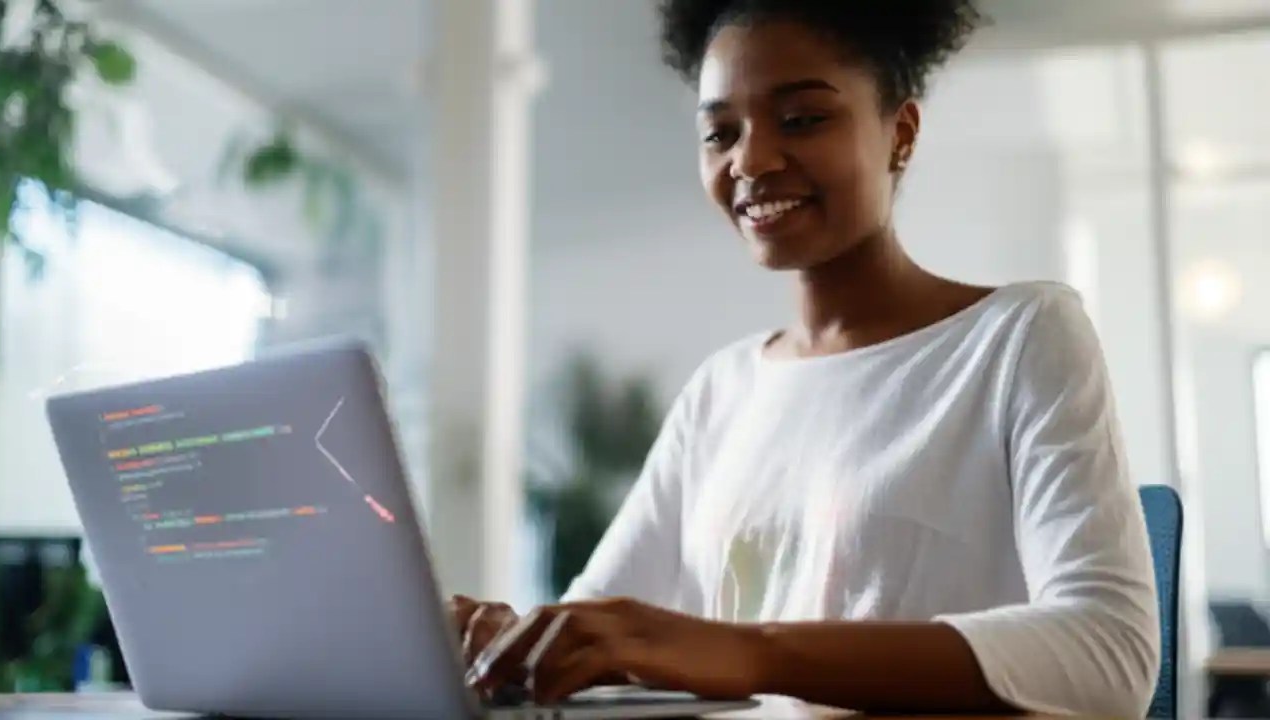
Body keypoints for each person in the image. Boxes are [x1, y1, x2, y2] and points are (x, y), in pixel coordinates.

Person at [451, 0, 1160, 715]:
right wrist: (509, 645)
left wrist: (749, 652)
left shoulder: (1019, 337)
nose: (751, 160)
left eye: (802, 120)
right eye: (719, 132)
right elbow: (601, 632)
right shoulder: (722, 390)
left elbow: (1109, 653)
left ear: (900, 133)